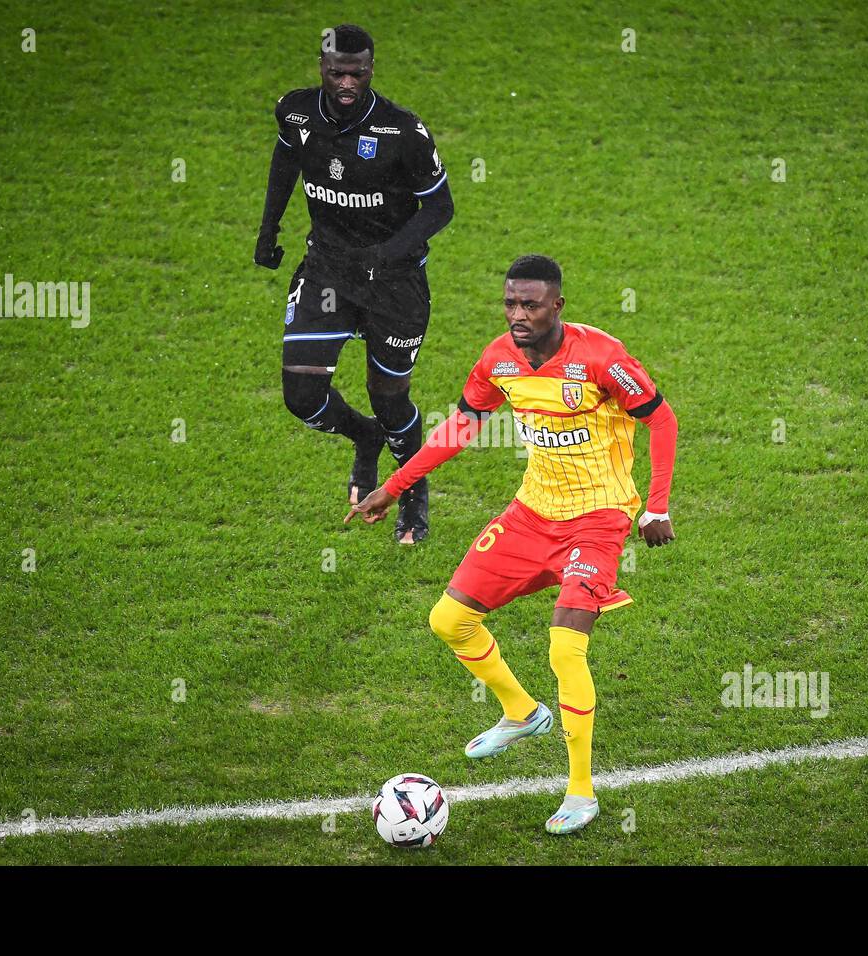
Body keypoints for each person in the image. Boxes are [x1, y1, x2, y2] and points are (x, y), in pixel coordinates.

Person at [347, 255, 678, 833]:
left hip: (597, 521)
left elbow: (662, 419)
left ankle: (581, 792)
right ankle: (521, 712)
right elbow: (460, 427)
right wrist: (394, 488)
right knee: (448, 620)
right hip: (532, 513)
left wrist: (656, 506)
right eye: (510, 304)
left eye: (530, 304)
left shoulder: (602, 357)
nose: (518, 314)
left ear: (558, 306)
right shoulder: (499, 359)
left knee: (564, 650)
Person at [255, 23, 453, 543]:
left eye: (357, 73)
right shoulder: (295, 111)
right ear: (321, 67)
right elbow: (286, 160)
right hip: (328, 272)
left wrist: (385, 255)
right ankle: (363, 436)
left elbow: (440, 206)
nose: (346, 81)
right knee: (301, 394)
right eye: (337, 71)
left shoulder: (402, 132)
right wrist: (268, 227)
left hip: (396, 285)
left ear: (371, 70)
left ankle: (414, 496)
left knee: (389, 399)